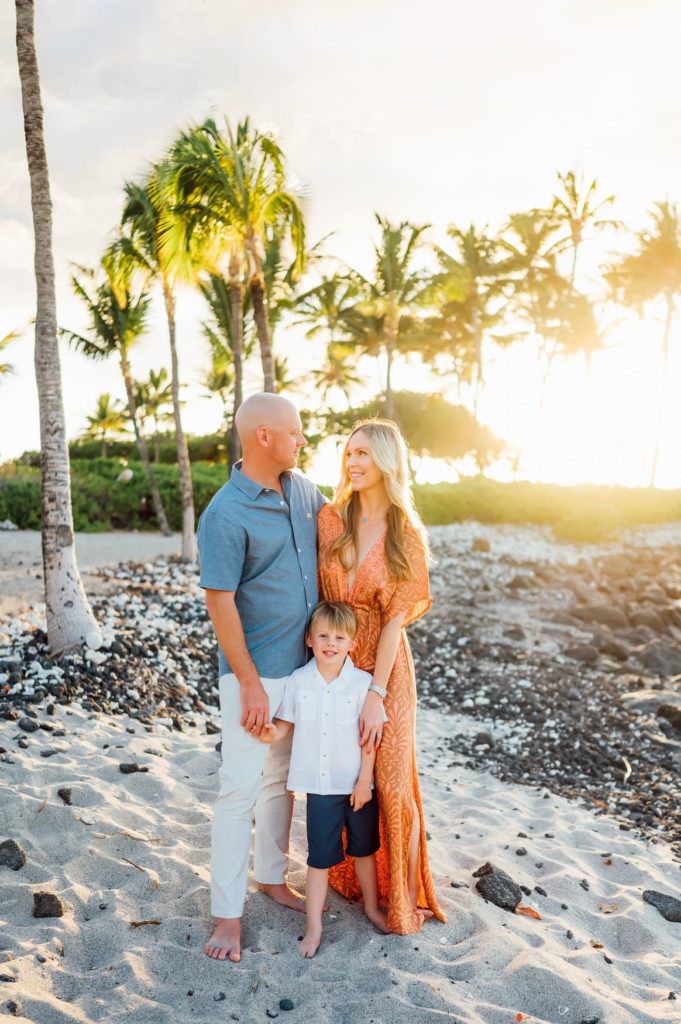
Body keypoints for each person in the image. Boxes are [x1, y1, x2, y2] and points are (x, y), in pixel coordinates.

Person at [196, 393, 326, 962]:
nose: (303, 439)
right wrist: (248, 683)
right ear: (264, 437)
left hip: (303, 670)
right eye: (294, 431)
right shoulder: (224, 513)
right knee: (238, 789)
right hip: (254, 673)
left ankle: (272, 877)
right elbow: (219, 602)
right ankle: (227, 918)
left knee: (281, 781)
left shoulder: (304, 491)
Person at [317, 418, 446, 934]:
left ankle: (403, 898)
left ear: (387, 462)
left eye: (364, 453)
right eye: (349, 453)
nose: (353, 462)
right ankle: (357, 880)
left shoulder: (405, 535)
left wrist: (376, 692)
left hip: (387, 669)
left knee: (391, 782)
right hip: (334, 662)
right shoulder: (331, 519)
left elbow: (394, 622)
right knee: (346, 776)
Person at [258, 600, 388, 957]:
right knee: (318, 859)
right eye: (324, 636)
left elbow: (369, 738)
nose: (331, 643)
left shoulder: (362, 685)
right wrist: (271, 733)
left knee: (364, 851)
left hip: (357, 785)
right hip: (320, 788)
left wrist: (364, 781)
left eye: (340, 638)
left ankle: (372, 908)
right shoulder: (299, 681)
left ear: (352, 644)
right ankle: (313, 927)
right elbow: (286, 723)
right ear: (309, 640)